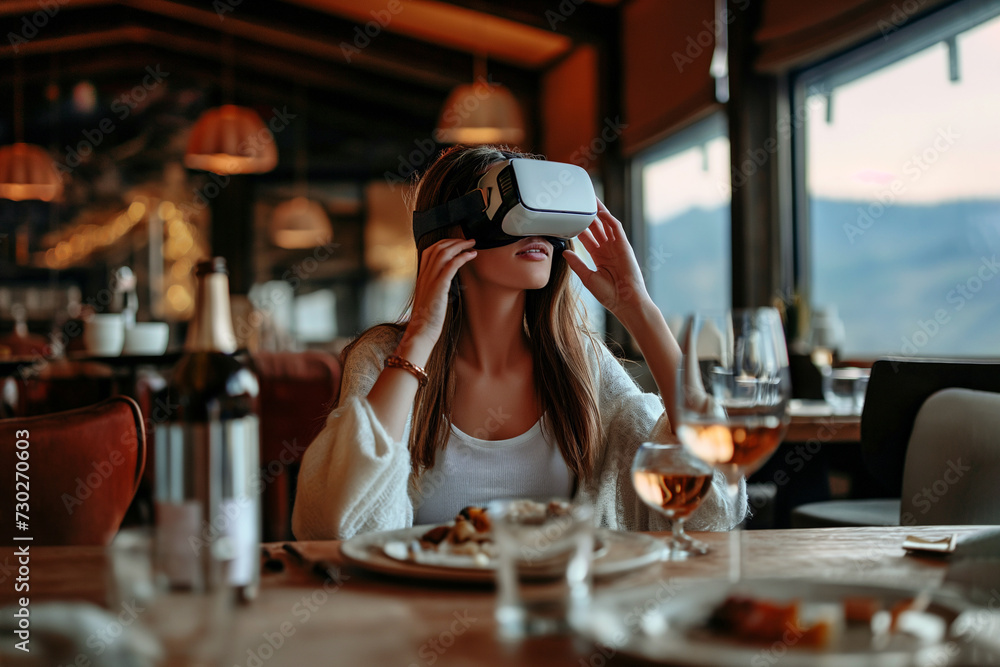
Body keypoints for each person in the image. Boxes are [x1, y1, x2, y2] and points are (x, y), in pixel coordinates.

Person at [292, 145, 746, 540]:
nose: (536, 230)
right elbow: (335, 524)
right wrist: (420, 336)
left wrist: (639, 310)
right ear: (451, 229)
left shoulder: (579, 365)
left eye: (546, 214)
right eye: (514, 210)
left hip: (555, 608)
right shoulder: (382, 356)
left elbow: (711, 504)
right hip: (419, 608)